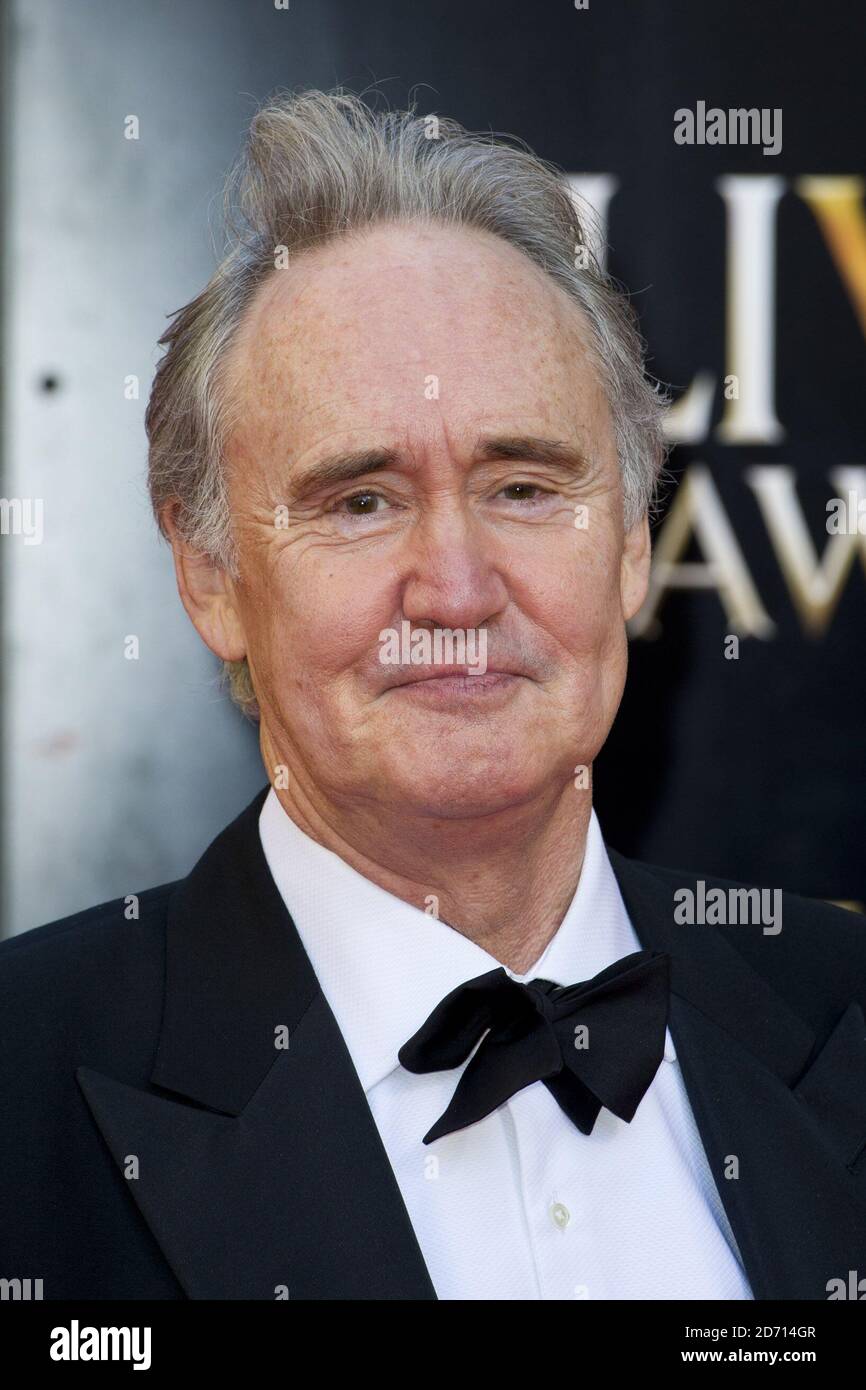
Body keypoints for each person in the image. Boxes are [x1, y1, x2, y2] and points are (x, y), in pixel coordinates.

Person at [2, 89, 865, 1302]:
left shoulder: (841, 1008)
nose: (455, 590)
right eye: (360, 501)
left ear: (627, 540)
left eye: (521, 486)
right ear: (211, 577)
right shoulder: (22, 1085)